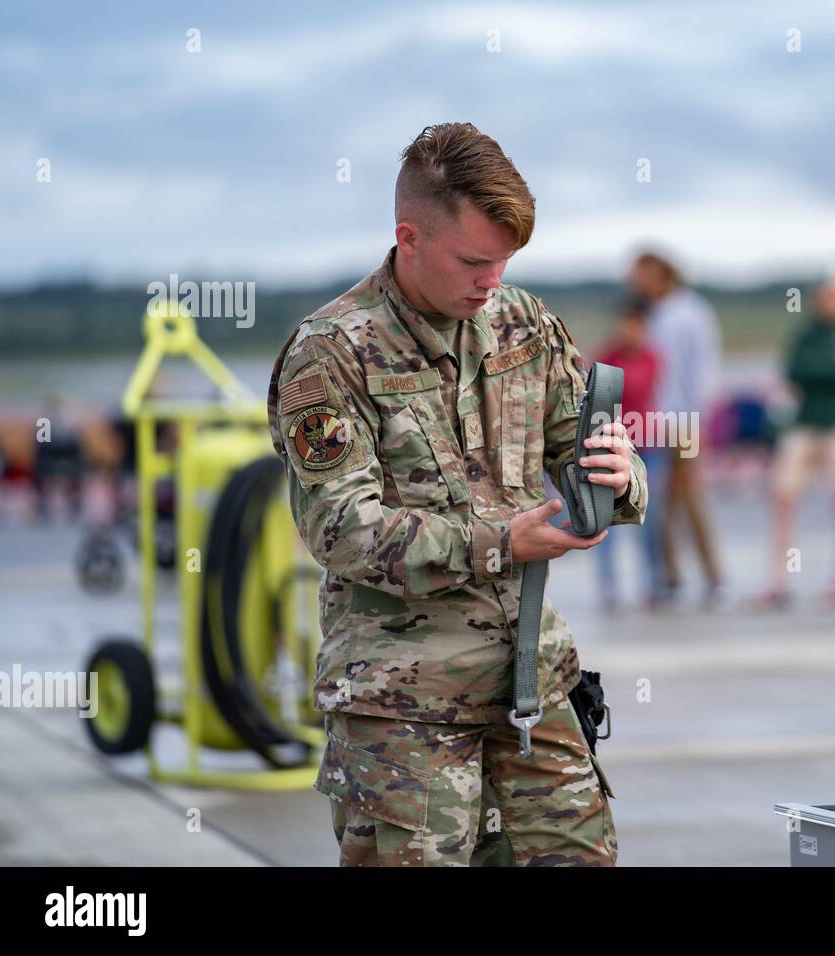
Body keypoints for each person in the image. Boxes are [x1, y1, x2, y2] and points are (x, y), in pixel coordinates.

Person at [267, 123, 648, 867]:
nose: (492, 281)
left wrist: (619, 476)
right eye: (474, 260)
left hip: (530, 684)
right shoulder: (331, 352)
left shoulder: (523, 323)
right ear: (408, 237)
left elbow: (583, 452)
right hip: (402, 713)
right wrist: (502, 544)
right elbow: (343, 529)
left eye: (505, 261)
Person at [756, 274, 835, 609]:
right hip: (806, 424)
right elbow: (795, 371)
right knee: (782, 495)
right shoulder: (808, 333)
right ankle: (779, 579)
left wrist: (823, 370)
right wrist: (830, 366)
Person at [629, 251, 724, 607]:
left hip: (684, 421)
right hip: (654, 422)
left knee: (690, 498)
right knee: (656, 502)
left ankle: (714, 577)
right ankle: (668, 578)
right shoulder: (647, 315)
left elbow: (705, 368)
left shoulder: (691, 311)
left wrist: (700, 419)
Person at [593, 298, 668, 606]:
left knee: (649, 519)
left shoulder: (653, 358)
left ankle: (654, 582)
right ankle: (609, 587)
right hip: (613, 445)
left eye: (635, 325)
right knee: (605, 519)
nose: (629, 331)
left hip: (647, 445)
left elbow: (644, 392)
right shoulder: (607, 357)